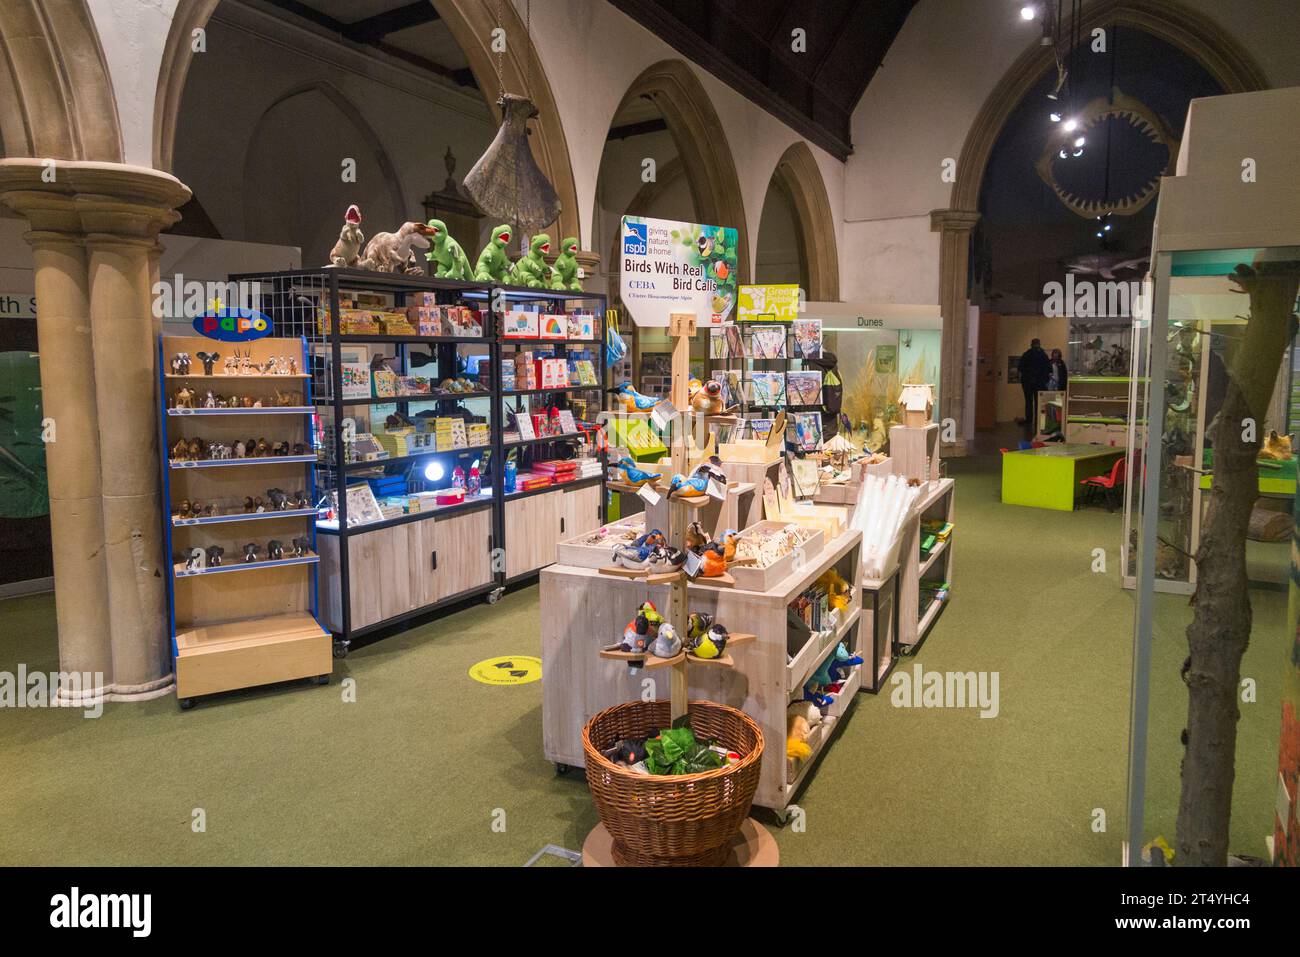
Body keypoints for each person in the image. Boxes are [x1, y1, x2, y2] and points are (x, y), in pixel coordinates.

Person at [1017, 338, 1050, 426]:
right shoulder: (1043, 355)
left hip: (1027, 382)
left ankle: (1029, 420)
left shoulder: (1026, 354)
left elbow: (1020, 368)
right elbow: (1048, 369)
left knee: (1028, 402)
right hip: (1040, 383)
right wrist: (1044, 380)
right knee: (1039, 402)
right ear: (1039, 344)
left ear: (1031, 344)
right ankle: (1038, 422)